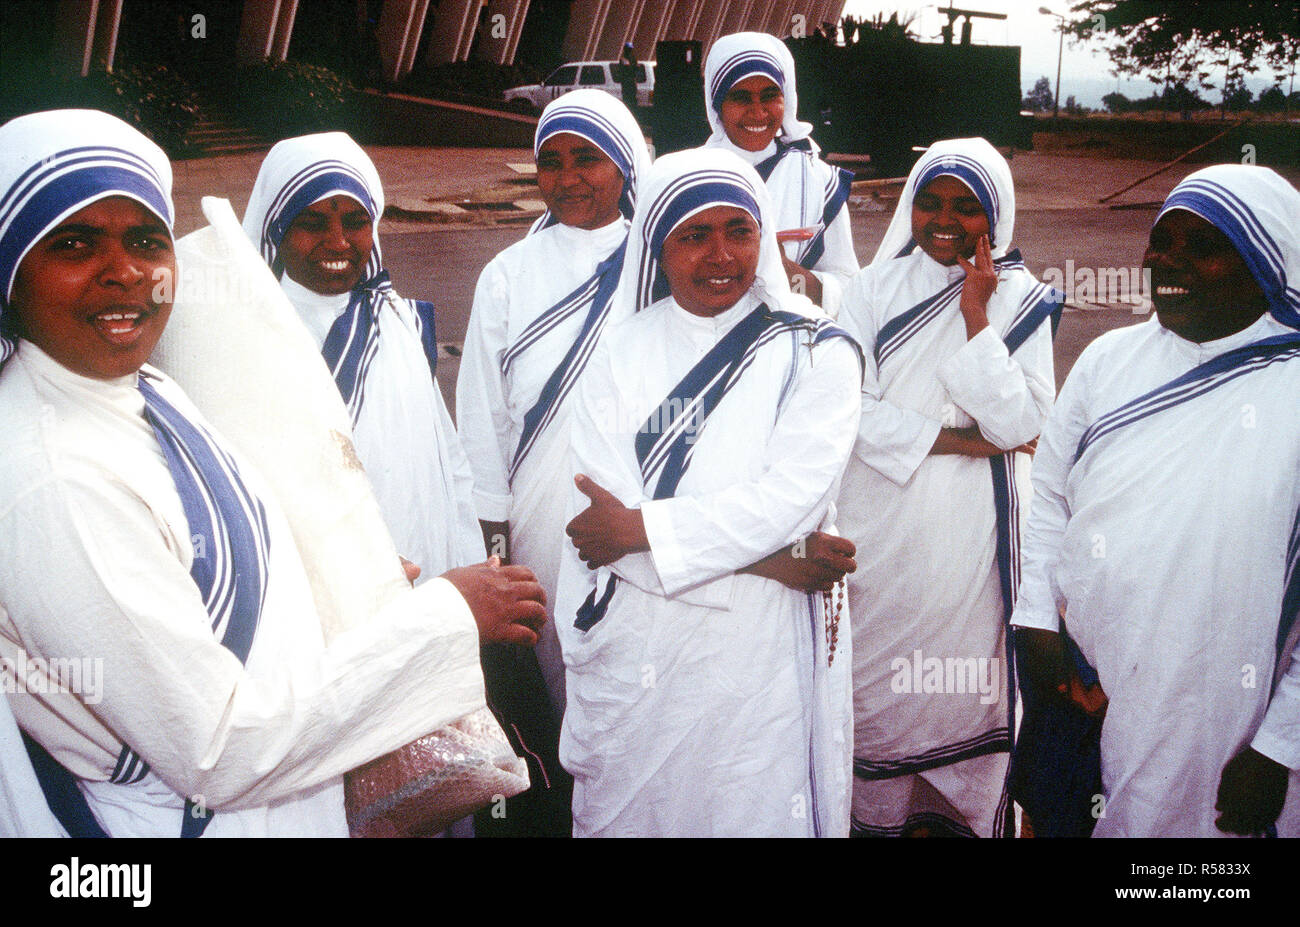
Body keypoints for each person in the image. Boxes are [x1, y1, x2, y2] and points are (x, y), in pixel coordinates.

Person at [0, 109, 545, 837]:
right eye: (73, 243)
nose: (125, 271)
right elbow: (221, 745)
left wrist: (342, 588)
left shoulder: (139, 388)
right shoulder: (51, 478)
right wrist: (443, 615)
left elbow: (220, 562)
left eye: (145, 239)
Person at [554, 148, 863, 837]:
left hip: (755, 654)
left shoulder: (817, 351)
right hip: (640, 649)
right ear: (658, 247)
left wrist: (645, 530)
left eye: (739, 231)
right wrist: (769, 561)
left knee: (748, 803)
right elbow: (601, 528)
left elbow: (791, 502)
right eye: (694, 234)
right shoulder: (616, 351)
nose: (721, 254)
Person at [1010, 164, 1300, 838]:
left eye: (1204, 247)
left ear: (1267, 261)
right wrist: (1035, 621)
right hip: (1085, 691)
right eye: (1162, 241)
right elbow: (1049, 496)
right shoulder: (1110, 359)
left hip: (1226, 725)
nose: (1170, 262)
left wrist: (1281, 746)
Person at [836, 138, 1061, 837]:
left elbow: (1027, 421)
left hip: (976, 536)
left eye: (967, 208)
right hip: (880, 521)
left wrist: (975, 312)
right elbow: (845, 408)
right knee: (877, 690)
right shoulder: (869, 292)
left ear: (996, 215)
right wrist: (964, 440)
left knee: (968, 685)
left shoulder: (1019, 299)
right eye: (930, 201)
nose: (945, 219)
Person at [456, 89, 651, 835]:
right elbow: (483, 419)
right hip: (538, 530)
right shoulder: (507, 273)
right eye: (551, 162)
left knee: (630, 685)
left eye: (588, 159)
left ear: (625, 163)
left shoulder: (660, 260)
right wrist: (496, 549)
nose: (569, 178)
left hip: (637, 523)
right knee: (546, 688)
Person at [242, 132, 482, 585]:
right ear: (277, 227)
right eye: (312, 222)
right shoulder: (249, 336)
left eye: (355, 221)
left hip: (429, 574)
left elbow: (450, 466)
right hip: (320, 587)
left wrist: (469, 567)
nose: (338, 241)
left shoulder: (402, 323)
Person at [702, 31, 857, 316]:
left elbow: (850, 288)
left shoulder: (819, 181)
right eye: (741, 97)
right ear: (716, 104)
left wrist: (790, 276)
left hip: (794, 342)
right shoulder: (690, 178)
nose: (758, 113)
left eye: (770, 96)